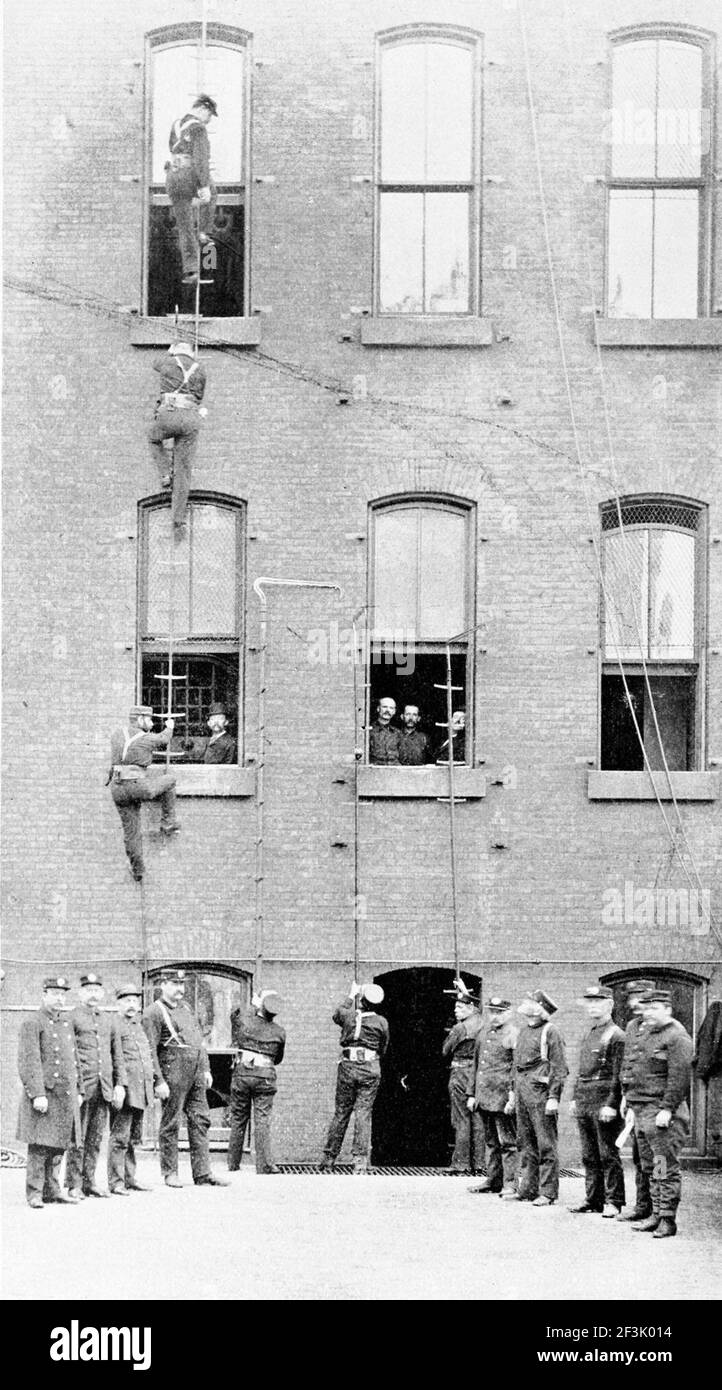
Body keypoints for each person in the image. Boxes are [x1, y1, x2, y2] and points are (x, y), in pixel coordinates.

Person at [142, 969, 228, 1188]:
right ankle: (170, 1172)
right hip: (173, 1071)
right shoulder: (153, 1012)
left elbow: (198, 1041)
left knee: (201, 1120)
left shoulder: (186, 1009)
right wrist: (158, 1080)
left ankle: (203, 1173)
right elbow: (149, 1050)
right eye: (173, 983)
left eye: (182, 984)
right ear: (162, 985)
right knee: (171, 1122)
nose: (179, 988)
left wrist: (206, 1069)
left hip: (196, 1071)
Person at [623, 988, 694, 1238]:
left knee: (664, 1165)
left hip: (661, 1113)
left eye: (655, 1008)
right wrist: (628, 1100)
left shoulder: (676, 1036)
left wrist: (667, 1108)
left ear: (668, 1010)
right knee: (650, 1166)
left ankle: (667, 1218)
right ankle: (655, 1213)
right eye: (647, 1007)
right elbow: (634, 1069)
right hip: (641, 1110)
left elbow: (680, 1077)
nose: (649, 1012)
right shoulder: (647, 1034)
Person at [16, 976, 84, 1208]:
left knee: (59, 1145)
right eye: (55, 993)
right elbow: (29, 1061)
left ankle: (52, 1188)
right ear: (44, 995)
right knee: (39, 1144)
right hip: (45, 1094)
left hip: (65, 1095)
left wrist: (80, 1089)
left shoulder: (65, 1024)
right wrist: (37, 1094)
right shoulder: (33, 1022)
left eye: (62, 994)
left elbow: (74, 1061)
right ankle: (34, 1192)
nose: (59, 998)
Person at [66, 973, 127, 1199]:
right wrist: (76, 1087)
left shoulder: (107, 1020)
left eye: (97, 990)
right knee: (77, 1138)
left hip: (104, 1088)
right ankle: (74, 1184)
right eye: (88, 990)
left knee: (95, 1138)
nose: (93, 994)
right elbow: (70, 1055)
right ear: (81, 993)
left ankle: (89, 1181)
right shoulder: (71, 1018)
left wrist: (120, 1084)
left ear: (102, 993)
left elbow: (116, 1054)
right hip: (83, 1088)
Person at [568, 985, 625, 1218]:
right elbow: (581, 1070)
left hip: (603, 1101)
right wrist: (574, 1098)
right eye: (589, 1002)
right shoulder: (589, 1033)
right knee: (589, 1154)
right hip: (585, 1099)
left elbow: (618, 1075)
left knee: (607, 1154)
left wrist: (611, 1104)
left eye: (598, 1002)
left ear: (610, 1005)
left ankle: (614, 1201)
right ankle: (593, 1199)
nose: (592, 1006)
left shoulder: (616, 1035)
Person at [321, 981, 389, 1173]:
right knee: (363, 1113)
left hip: (348, 1067)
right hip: (370, 1068)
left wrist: (351, 995)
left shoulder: (349, 1016)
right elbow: (383, 1048)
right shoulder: (382, 1022)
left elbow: (337, 1013)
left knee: (341, 1112)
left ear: (362, 1000)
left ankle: (328, 1159)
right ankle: (359, 1162)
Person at [107, 704, 180, 883]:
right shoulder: (144, 738)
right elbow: (163, 740)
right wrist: (169, 727)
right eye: (149, 719)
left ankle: (137, 870)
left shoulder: (117, 734)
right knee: (169, 780)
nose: (152, 723)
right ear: (140, 719)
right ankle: (168, 824)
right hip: (138, 786)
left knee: (131, 833)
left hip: (117, 788)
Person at [513, 989, 568, 1206]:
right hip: (522, 1090)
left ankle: (547, 1192)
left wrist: (554, 1096)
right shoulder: (524, 1030)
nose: (525, 1004)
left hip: (540, 1092)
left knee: (546, 1143)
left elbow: (559, 1067)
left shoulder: (550, 1031)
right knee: (525, 1143)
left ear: (539, 1009)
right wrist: (512, 1092)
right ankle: (527, 1188)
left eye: (530, 1002)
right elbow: (516, 1065)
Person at [147, 341, 208, 536]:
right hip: (190, 419)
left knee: (153, 438)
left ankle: (165, 473)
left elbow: (155, 363)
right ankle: (178, 520)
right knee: (184, 471)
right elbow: (198, 398)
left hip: (169, 414)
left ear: (176, 351)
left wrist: (170, 351)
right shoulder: (200, 370)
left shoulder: (168, 362)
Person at [227, 990, 286, 1174]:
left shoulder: (245, 1022)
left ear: (260, 1004)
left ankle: (233, 1164)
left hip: (243, 1073)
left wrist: (254, 1006)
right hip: (266, 1077)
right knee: (262, 1120)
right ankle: (264, 1166)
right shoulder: (280, 1032)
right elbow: (278, 1060)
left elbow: (234, 1015)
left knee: (238, 1118)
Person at [467, 996, 519, 1197]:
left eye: (499, 1012)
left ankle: (510, 1183)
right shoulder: (484, 1034)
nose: (495, 1016)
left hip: (502, 1097)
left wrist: (512, 1097)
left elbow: (515, 1069)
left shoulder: (514, 1034)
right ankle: (493, 1180)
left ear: (509, 1013)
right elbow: (476, 1065)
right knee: (490, 1141)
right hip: (484, 1095)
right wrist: (472, 1094)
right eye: (492, 1012)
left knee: (508, 1142)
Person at [108, 983, 155, 1195]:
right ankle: (116, 1182)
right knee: (119, 1138)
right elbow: (115, 1059)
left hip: (141, 1090)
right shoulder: (114, 1026)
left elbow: (146, 1058)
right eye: (127, 1001)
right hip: (126, 1091)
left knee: (132, 1139)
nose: (132, 1005)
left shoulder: (138, 1026)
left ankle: (130, 1178)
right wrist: (120, 1086)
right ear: (118, 1003)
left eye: (135, 1001)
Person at [166, 93, 218, 285]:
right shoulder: (198, 128)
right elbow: (200, 159)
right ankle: (205, 232)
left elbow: (172, 147)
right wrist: (204, 186)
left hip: (173, 176)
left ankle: (191, 271)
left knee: (185, 227)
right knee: (212, 195)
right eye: (210, 115)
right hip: (190, 174)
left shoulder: (177, 124)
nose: (209, 120)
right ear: (202, 109)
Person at [616, 979, 655, 1223]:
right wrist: (625, 1096)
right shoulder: (632, 1026)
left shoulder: (662, 1029)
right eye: (632, 998)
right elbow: (628, 1064)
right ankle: (643, 1207)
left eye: (639, 997)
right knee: (640, 1158)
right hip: (636, 1102)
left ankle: (662, 1213)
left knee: (659, 1162)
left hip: (656, 1106)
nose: (633, 1003)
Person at [442, 981, 485, 1172]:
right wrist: (466, 992)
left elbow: (445, 1050)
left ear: (469, 1008)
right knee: (477, 1119)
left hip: (460, 1073)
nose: (455, 1011)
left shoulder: (460, 1028)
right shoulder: (482, 1023)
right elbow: (479, 1010)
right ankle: (479, 1163)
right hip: (477, 1074)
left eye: (459, 1007)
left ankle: (460, 1163)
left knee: (461, 1118)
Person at [369, 697, 400, 764]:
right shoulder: (369, 731)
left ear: (394, 712)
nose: (387, 710)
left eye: (391, 708)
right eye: (384, 707)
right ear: (378, 709)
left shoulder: (397, 733)